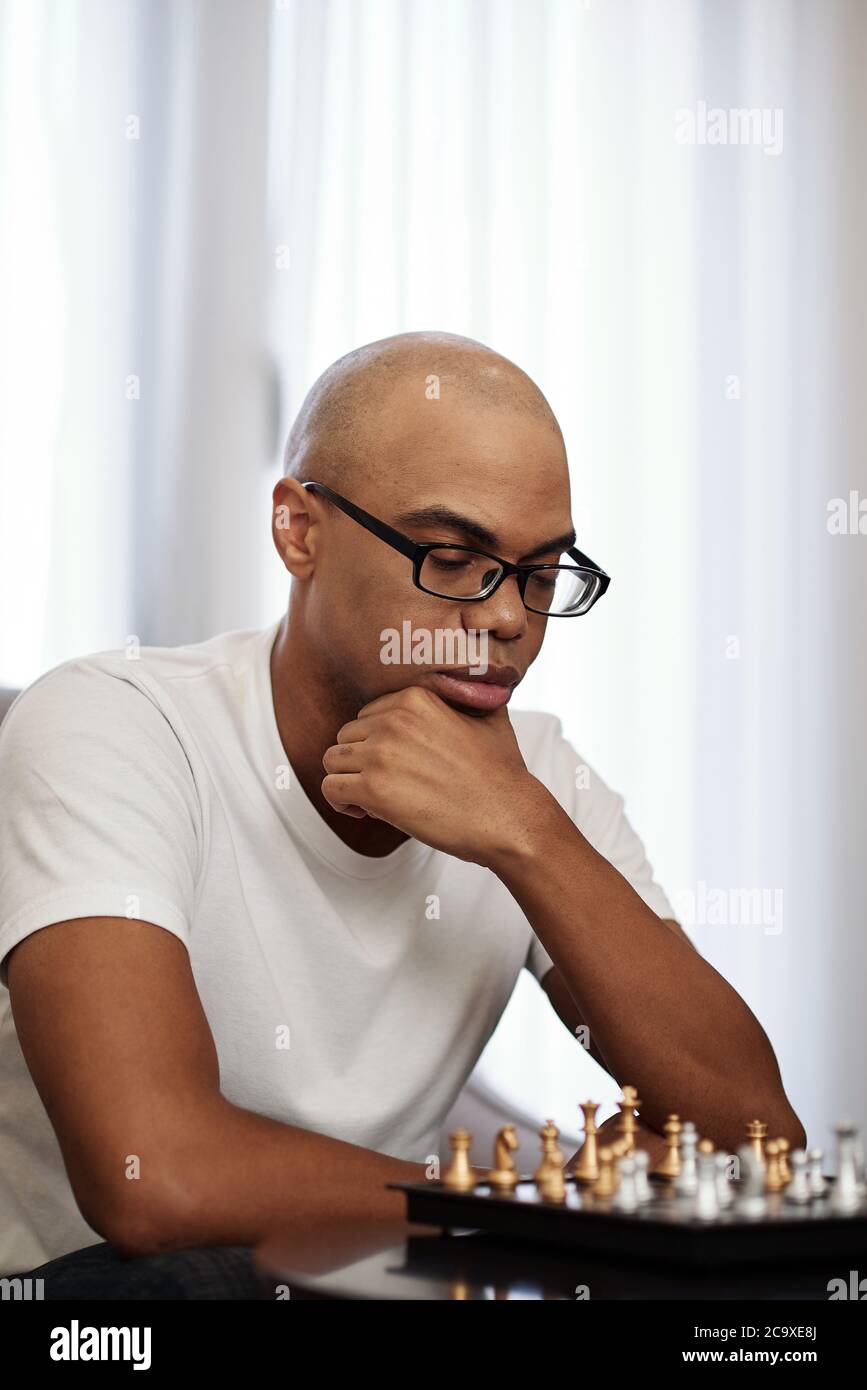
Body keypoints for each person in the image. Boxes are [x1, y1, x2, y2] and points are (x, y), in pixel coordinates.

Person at [0, 331, 804, 1284]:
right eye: (455, 557)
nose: (508, 618)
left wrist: (527, 833)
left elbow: (759, 1148)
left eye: (543, 574)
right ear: (300, 530)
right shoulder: (114, 721)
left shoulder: (537, 780)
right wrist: (525, 1212)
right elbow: (155, 1180)